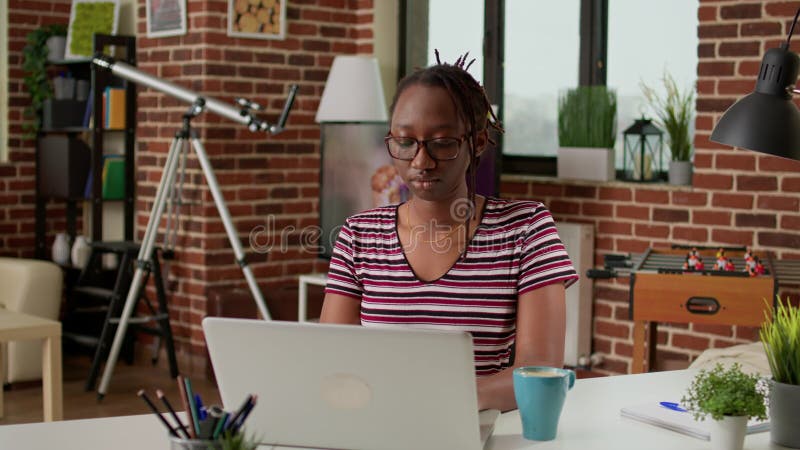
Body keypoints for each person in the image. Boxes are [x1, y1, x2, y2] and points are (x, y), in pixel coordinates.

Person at [320, 51, 579, 412]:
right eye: (405, 142)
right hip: (376, 426)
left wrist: (434, 399)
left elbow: (540, 372)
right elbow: (332, 362)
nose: (421, 162)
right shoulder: (358, 235)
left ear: (477, 143)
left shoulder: (526, 230)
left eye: (442, 143)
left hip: (474, 431)